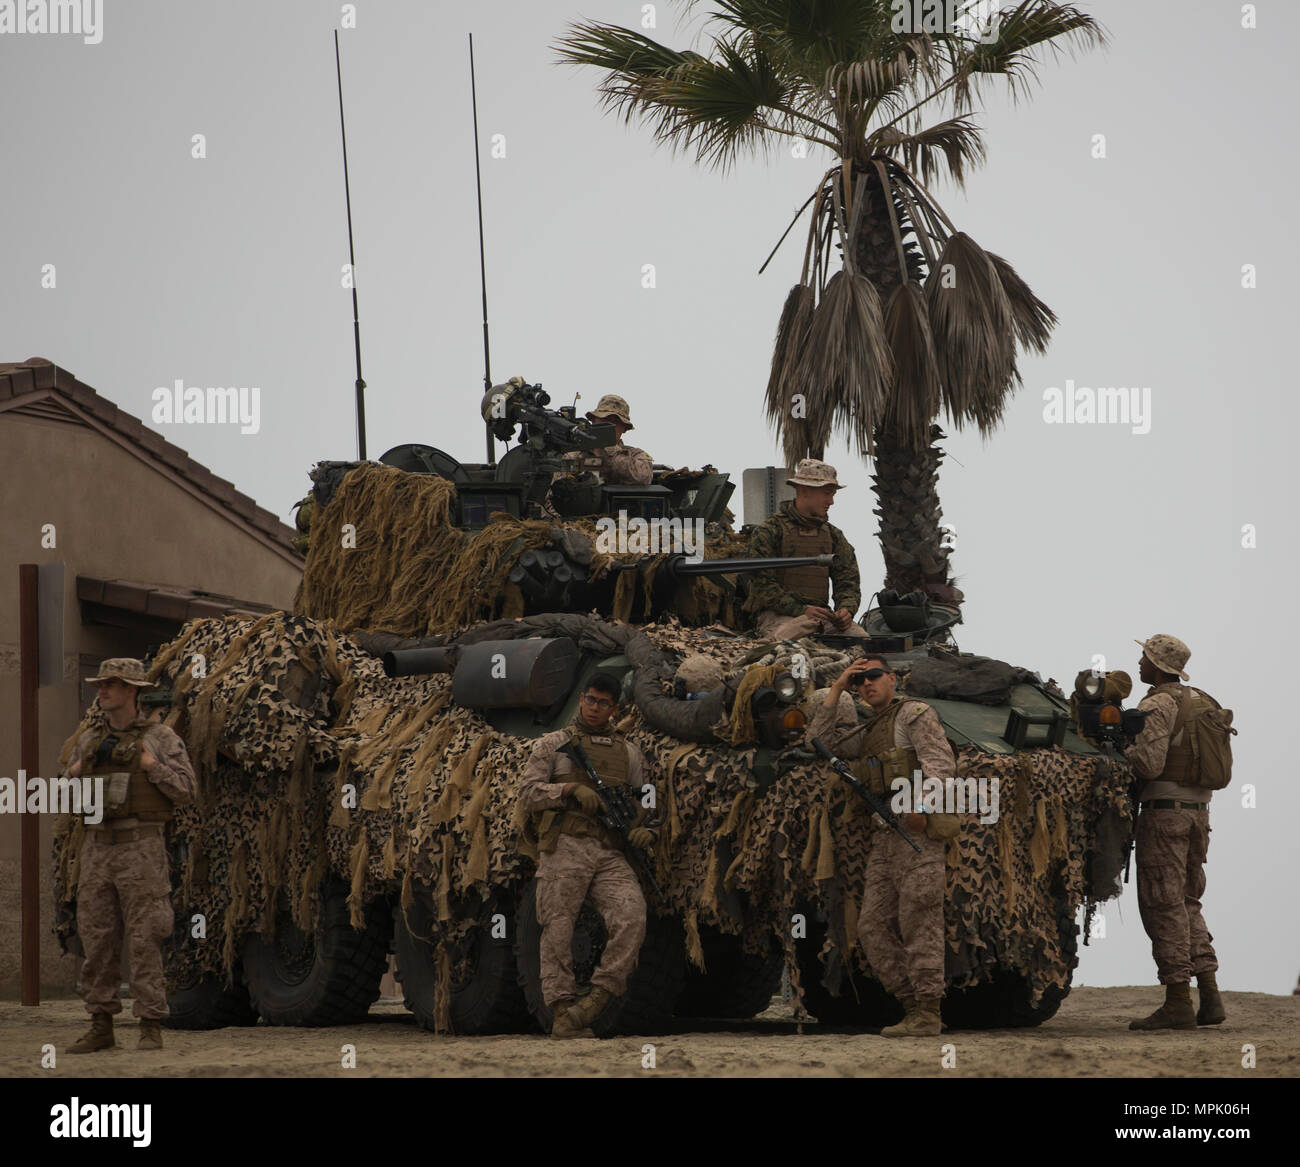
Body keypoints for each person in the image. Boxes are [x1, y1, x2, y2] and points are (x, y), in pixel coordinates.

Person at [807, 655, 957, 1036]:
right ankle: (911, 1005)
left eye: (873, 676)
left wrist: (921, 804)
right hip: (884, 836)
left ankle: (928, 1010)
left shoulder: (913, 714)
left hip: (915, 832)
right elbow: (819, 743)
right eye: (860, 682)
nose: (866, 685)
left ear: (892, 677)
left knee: (919, 919)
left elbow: (940, 763)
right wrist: (838, 687)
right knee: (872, 926)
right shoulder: (869, 728)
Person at [64, 659, 196, 1053]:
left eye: (112, 685)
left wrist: (151, 767)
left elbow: (187, 791)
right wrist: (72, 778)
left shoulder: (159, 738)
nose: (103, 691)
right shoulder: (88, 741)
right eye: (101, 684)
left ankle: (150, 1025)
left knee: (145, 937)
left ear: (132, 691)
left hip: (141, 847)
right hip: (98, 848)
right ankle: (101, 1024)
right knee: (97, 939)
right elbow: (65, 798)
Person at [518, 672, 659, 1037]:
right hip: (566, 844)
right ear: (581, 699)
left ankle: (595, 1001)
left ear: (615, 709)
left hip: (609, 848)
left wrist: (647, 828)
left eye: (604, 703)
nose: (595, 708)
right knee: (558, 926)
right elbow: (527, 793)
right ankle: (562, 1011)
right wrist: (567, 790)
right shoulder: (554, 744)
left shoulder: (627, 752)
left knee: (632, 916)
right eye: (591, 700)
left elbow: (647, 798)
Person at [1124, 634, 1225, 1030]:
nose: (1139, 663)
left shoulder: (1158, 703)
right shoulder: (1204, 700)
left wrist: (1119, 752)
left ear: (1157, 665)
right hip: (1198, 814)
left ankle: (1178, 1001)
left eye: (1144, 657)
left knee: (1162, 904)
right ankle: (1211, 995)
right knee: (1187, 901)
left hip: (1164, 816)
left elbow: (1148, 764)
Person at [745, 459, 866, 639]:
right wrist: (802, 610)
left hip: (821, 617)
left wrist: (845, 610)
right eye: (826, 494)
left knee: (861, 641)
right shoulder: (769, 532)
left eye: (833, 495)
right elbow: (763, 587)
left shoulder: (833, 536)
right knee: (789, 643)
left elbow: (848, 581)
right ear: (804, 491)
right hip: (777, 616)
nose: (831, 501)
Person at [563, 393, 654, 485]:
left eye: (616, 421)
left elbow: (643, 478)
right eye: (605, 419)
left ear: (625, 428)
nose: (610, 425)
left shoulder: (635, 456)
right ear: (593, 421)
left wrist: (610, 452)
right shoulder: (573, 455)